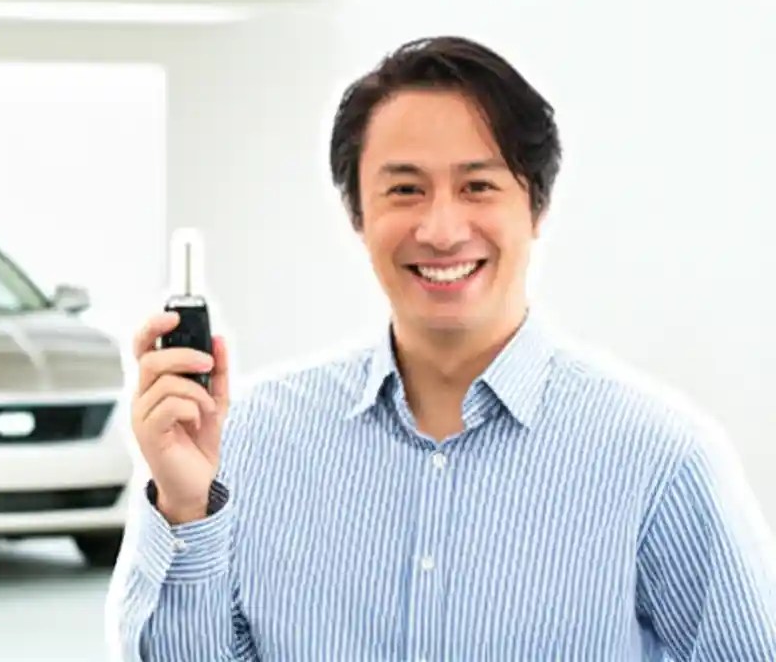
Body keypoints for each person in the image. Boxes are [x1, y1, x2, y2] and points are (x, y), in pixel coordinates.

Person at [107, 35, 776, 660]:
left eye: (477, 186)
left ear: (535, 207)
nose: (442, 228)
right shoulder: (246, 443)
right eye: (405, 190)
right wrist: (188, 507)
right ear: (357, 215)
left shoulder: (658, 458)